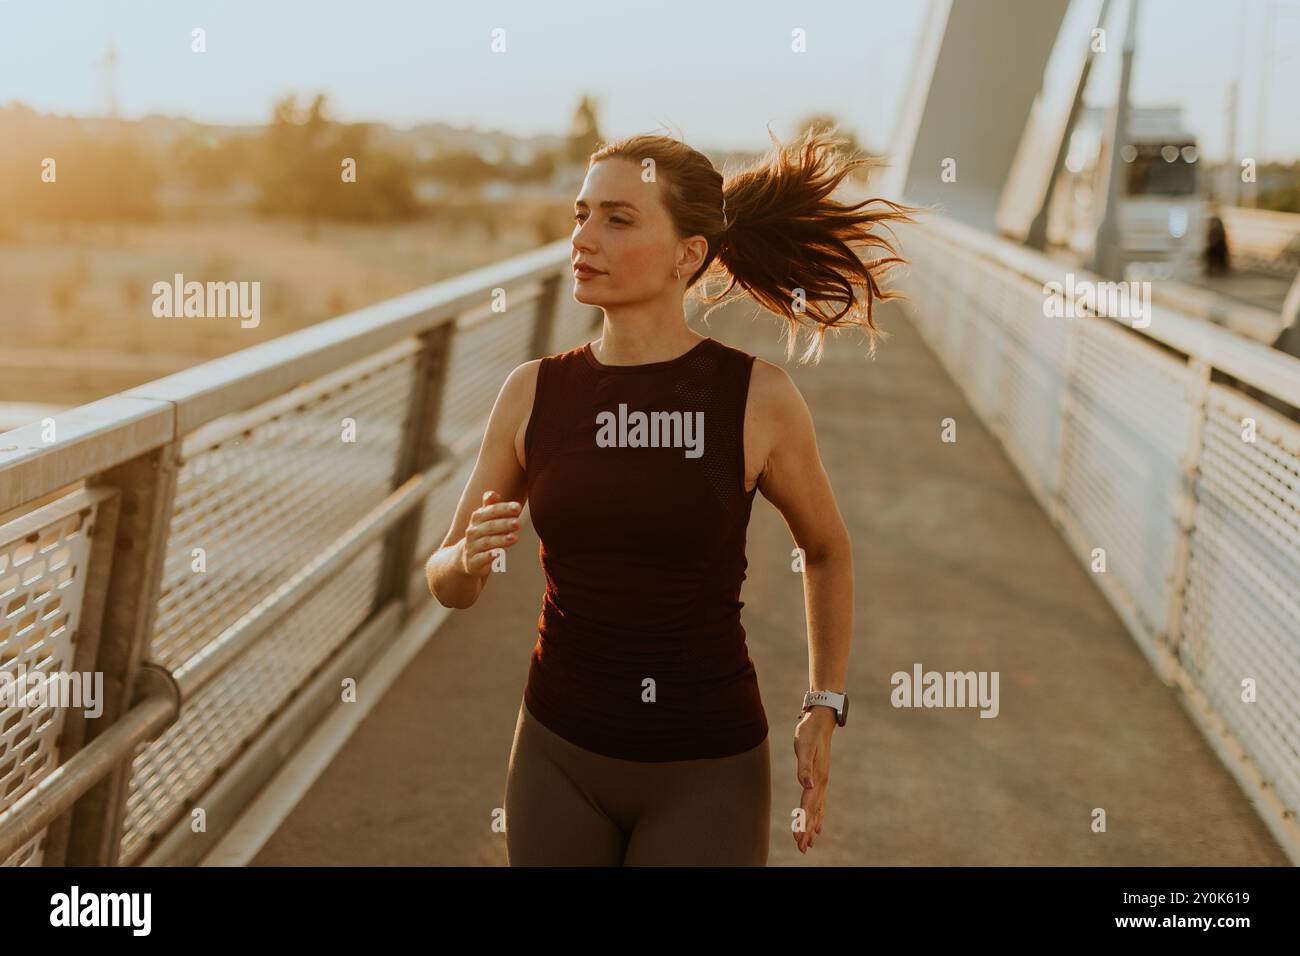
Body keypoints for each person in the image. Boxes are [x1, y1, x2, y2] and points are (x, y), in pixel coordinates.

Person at [425, 127, 920, 865]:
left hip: (707, 767)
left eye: (618, 220)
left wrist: (824, 704)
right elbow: (446, 584)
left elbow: (825, 548)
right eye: (581, 214)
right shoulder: (533, 392)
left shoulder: (755, 398)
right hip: (556, 755)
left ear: (688, 254)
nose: (584, 238)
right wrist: (465, 558)